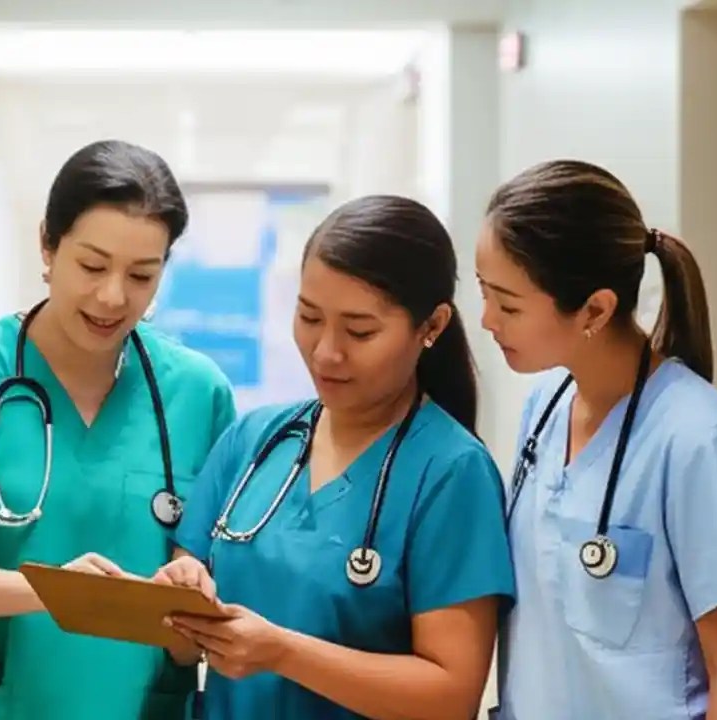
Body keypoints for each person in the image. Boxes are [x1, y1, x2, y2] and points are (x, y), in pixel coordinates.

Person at [0, 139, 237, 719]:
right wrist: (53, 592)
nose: (113, 296)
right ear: (47, 245)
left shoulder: (197, 392)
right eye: (91, 265)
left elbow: (208, 567)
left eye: (141, 275)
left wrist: (194, 580)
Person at [153, 195, 516, 719]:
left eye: (360, 331)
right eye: (308, 316)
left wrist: (283, 652)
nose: (325, 351)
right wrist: (181, 598)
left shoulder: (451, 472)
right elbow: (185, 614)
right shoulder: (253, 442)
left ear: (431, 326)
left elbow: (449, 695)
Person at [477, 159, 717, 720]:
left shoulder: (698, 439)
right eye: (483, 292)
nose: (487, 319)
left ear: (595, 309)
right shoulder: (544, 410)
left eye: (508, 304)